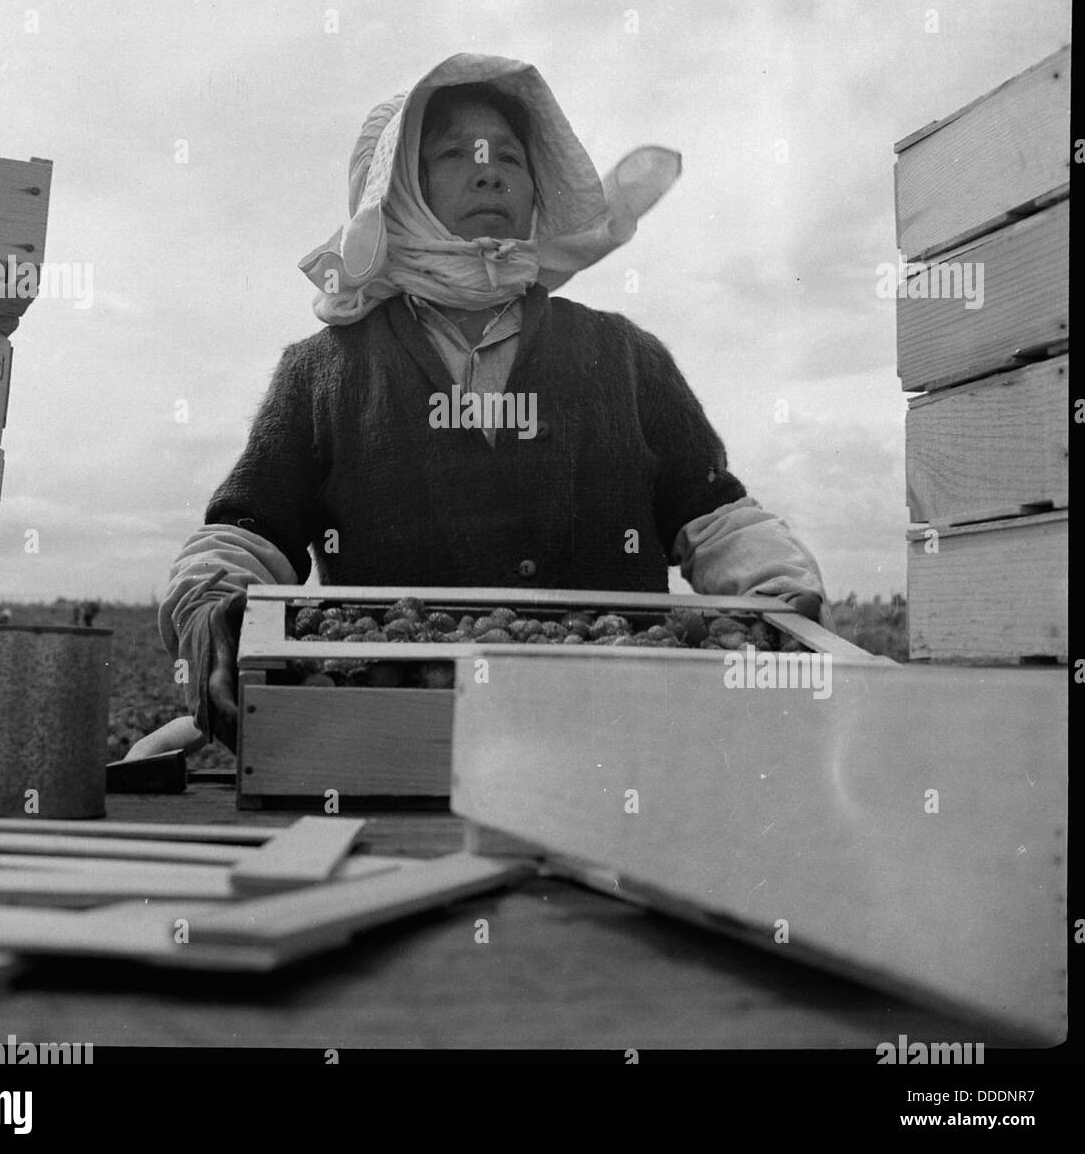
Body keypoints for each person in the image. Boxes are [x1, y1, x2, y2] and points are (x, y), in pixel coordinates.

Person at [142, 53, 830, 757]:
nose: (489, 169)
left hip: (611, 740)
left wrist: (781, 594)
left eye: (510, 155)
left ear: (536, 188)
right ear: (401, 187)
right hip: (389, 737)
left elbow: (715, 515)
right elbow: (247, 534)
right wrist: (209, 610)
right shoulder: (324, 372)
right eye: (454, 154)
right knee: (152, 756)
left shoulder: (623, 357)